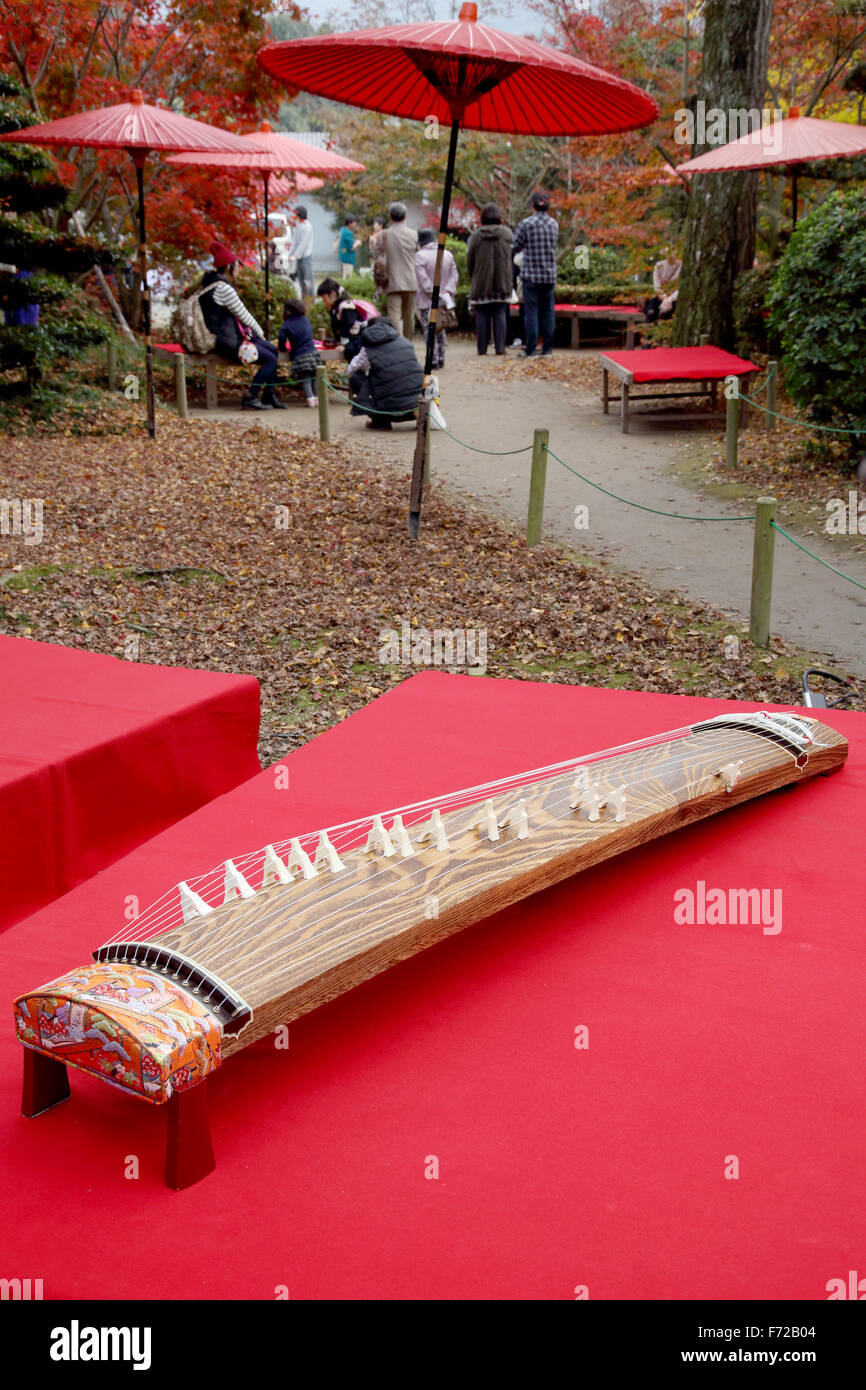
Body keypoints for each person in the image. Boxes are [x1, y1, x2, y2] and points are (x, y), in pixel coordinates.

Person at [199, 239, 282, 410]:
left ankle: (269, 394)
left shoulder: (209, 285)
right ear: (229, 267)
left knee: (273, 351)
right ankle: (252, 395)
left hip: (227, 336)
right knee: (270, 359)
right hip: (227, 342)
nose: (238, 269)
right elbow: (244, 315)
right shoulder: (223, 289)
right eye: (236, 266)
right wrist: (261, 333)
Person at [347, 316, 424, 431]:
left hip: (388, 408)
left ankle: (380, 420)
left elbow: (351, 370)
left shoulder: (368, 348)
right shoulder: (405, 341)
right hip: (416, 406)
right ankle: (420, 418)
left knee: (356, 377)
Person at [511, 191, 559, 358]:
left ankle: (530, 348)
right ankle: (547, 349)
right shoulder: (554, 224)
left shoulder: (526, 224)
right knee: (548, 312)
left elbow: (515, 245)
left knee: (531, 312)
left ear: (532, 205)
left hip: (531, 274)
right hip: (549, 275)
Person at [466, 202, 513, 356]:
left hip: (481, 279)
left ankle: (482, 348)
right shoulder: (506, 234)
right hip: (502, 279)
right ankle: (500, 348)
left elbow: (470, 258)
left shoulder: (476, 235)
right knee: (500, 313)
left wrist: (473, 274)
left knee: (481, 314)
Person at [414, 227, 458, 370]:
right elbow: (454, 275)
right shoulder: (447, 254)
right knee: (441, 327)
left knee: (429, 329)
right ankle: (441, 357)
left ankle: (432, 359)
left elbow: (423, 279)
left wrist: (433, 291)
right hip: (445, 298)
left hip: (427, 300)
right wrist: (448, 290)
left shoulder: (420, 255)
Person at [383, 201, 418, 341]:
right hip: (410, 280)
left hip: (391, 280)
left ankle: (397, 345)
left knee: (394, 316)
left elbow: (377, 256)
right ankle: (408, 344)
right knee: (409, 316)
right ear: (405, 216)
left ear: (390, 216)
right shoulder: (414, 235)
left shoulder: (384, 235)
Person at [278, 297, 321, 408]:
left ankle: (310, 399)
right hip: (313, 352)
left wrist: (282, 348)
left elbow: (281, 337)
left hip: (300, 354)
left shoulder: (287, 323)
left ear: (288, 311)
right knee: (314, 377)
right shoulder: (305, 319)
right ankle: (317, 399)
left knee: (305, 378)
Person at [316, 277, 367, 361]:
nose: (323, 301)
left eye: (324, 298)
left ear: (332, 294)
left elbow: (347, 326)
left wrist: (344, 345)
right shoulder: (335, 308)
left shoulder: (346, 306)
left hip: (356, 342)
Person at [645, 247, 682, 323]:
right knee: (651, 313)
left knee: (664, 313)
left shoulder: (682, 266)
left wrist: (669, 299)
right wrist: (664, 297)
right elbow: (657, 286)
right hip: (660, 297)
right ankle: (647, 333)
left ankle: (659, 332)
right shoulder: (659, 265)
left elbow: (681, 288)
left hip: (674, 299)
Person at [288, 205, 314, 299]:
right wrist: (290, 254)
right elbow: (294, 241)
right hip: (299, 257)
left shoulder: (307, 226)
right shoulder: (297, 225)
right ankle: (304, 298)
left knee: (308, 279)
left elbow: (303, 244)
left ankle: (310, 299)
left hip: (306, 256)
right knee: (301, 279)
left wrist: (295, 256)